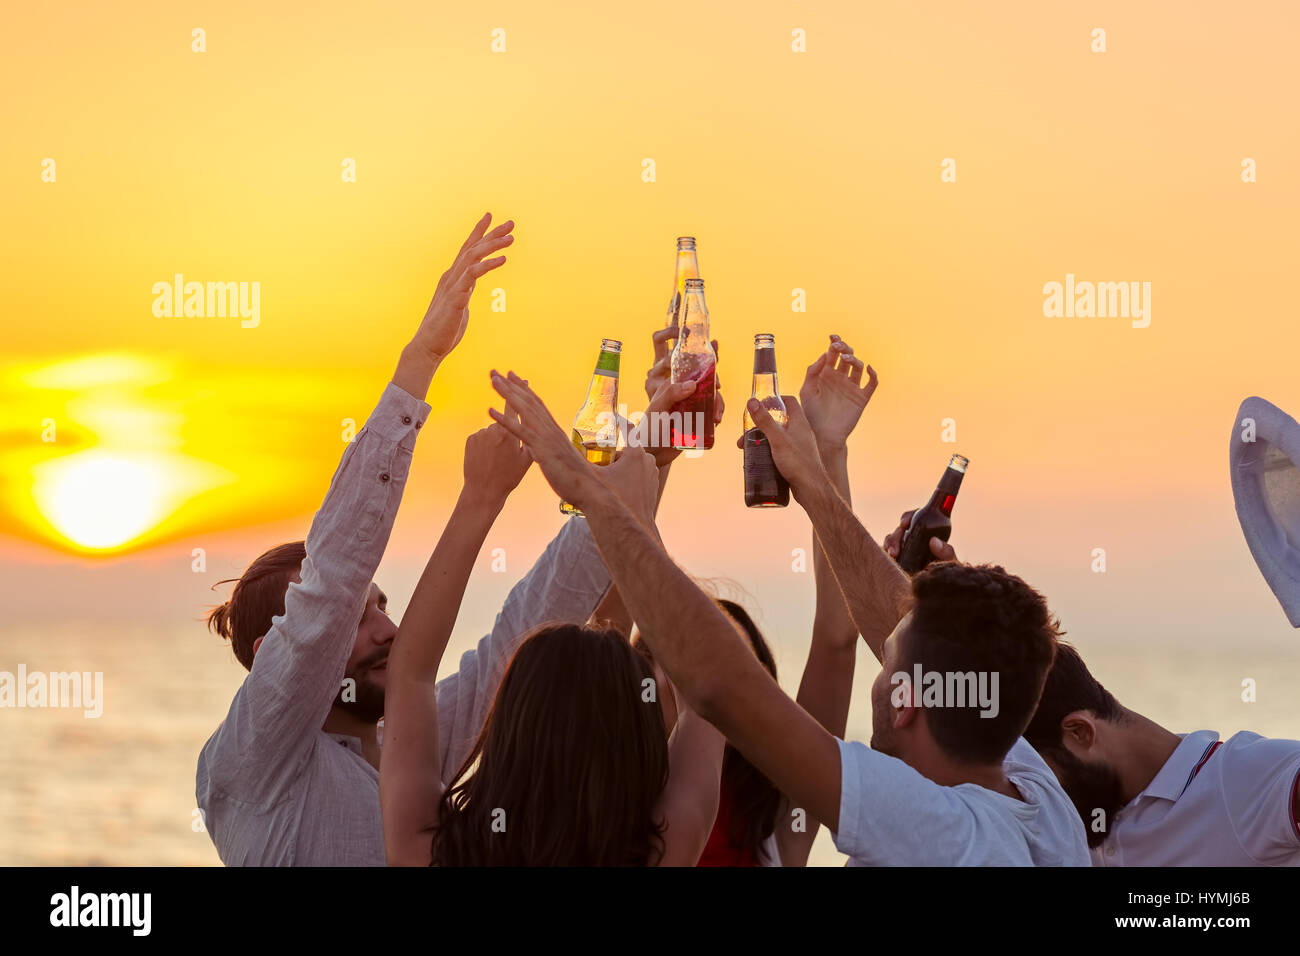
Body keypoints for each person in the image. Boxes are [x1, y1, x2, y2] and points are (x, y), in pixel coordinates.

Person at [487, 363, 1091, 866]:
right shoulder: (1035, 796)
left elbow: (723, 685)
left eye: (888, 664)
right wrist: (819, 469)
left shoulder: (946, 833)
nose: (878, 658)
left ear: (907, 701)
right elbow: (912, 635)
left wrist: (599, 497)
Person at [196, 215, 613, 866]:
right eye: (354, 625)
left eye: (382, 606)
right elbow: (332, 581)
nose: (388, 630)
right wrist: (421, 359)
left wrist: (635, 468)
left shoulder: (406, 748)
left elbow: (522, 635)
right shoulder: (254, 765)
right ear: (271, 657)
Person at [380, 432, 725, 866]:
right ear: (636, 737)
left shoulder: (426, 851)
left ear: (508, 722)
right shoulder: (665, 850)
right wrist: (636, 521)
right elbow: (710, 682)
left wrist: (480, 498)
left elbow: (410, 674)